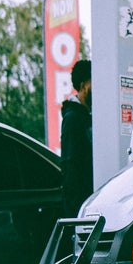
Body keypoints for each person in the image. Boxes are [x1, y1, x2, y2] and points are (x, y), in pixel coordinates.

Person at [61, 58, 94, 216]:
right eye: (93, 82)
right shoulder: (72, 118)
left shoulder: (89, 116)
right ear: (83, 86)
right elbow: (70, 165)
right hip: (80, 206)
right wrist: (75, 212)